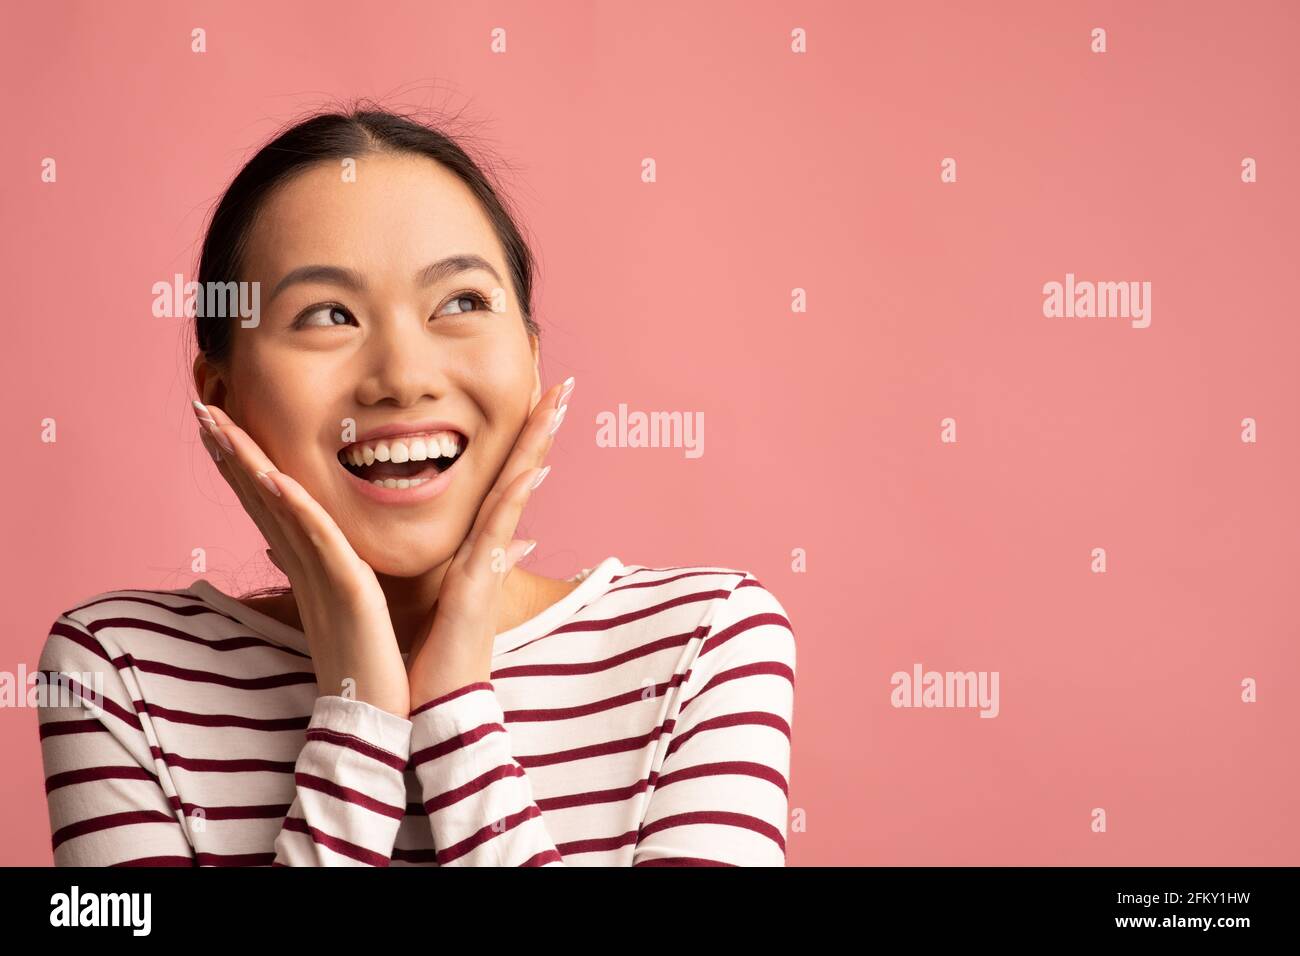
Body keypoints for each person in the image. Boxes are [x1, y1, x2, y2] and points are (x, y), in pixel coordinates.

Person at [36, 107, 797, 866]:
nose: (402, 378)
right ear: (222, 399)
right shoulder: (117, 672)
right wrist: (358, 710)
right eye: (327, 315)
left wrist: (456, 711)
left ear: (530, 360)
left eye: (461, 303)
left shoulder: (703, 646)